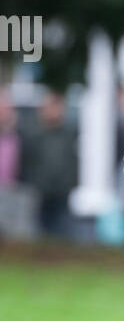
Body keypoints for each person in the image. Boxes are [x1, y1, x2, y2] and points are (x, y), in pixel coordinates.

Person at [19, 91, 78, 237]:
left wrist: (70, 183)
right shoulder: (33, 134)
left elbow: (73, 161)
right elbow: (26, 162)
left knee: (62, 234)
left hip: (62, 193)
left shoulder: (70, 134)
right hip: (39, 193)